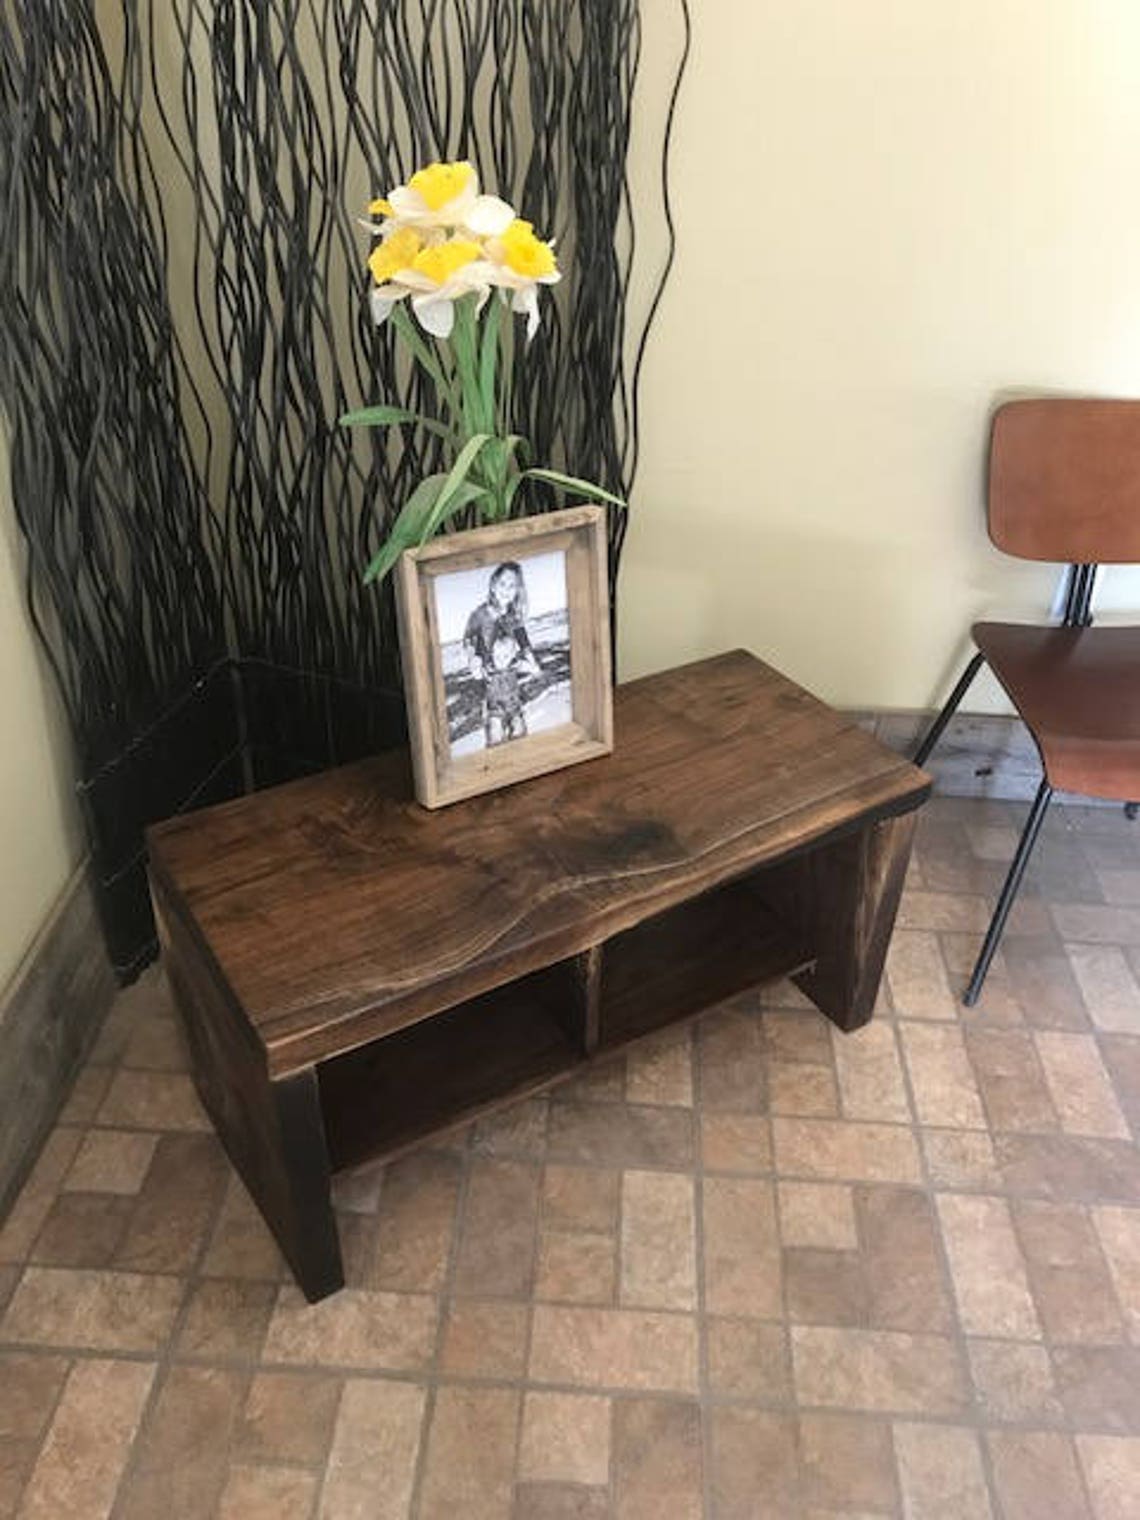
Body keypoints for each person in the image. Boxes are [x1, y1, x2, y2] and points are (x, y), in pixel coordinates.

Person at [464, 562, 542, 745]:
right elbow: (468, 639)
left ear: (517, 590)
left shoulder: (514, 616)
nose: (506, 590)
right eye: (502, 584)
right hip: (489, 682)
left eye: (512, 586)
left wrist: (533, 663)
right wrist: (473, 660)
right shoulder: (480, 614)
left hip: (510, 680)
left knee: (519, 729)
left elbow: (524, 642)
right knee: (495, 732)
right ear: (493, 585)